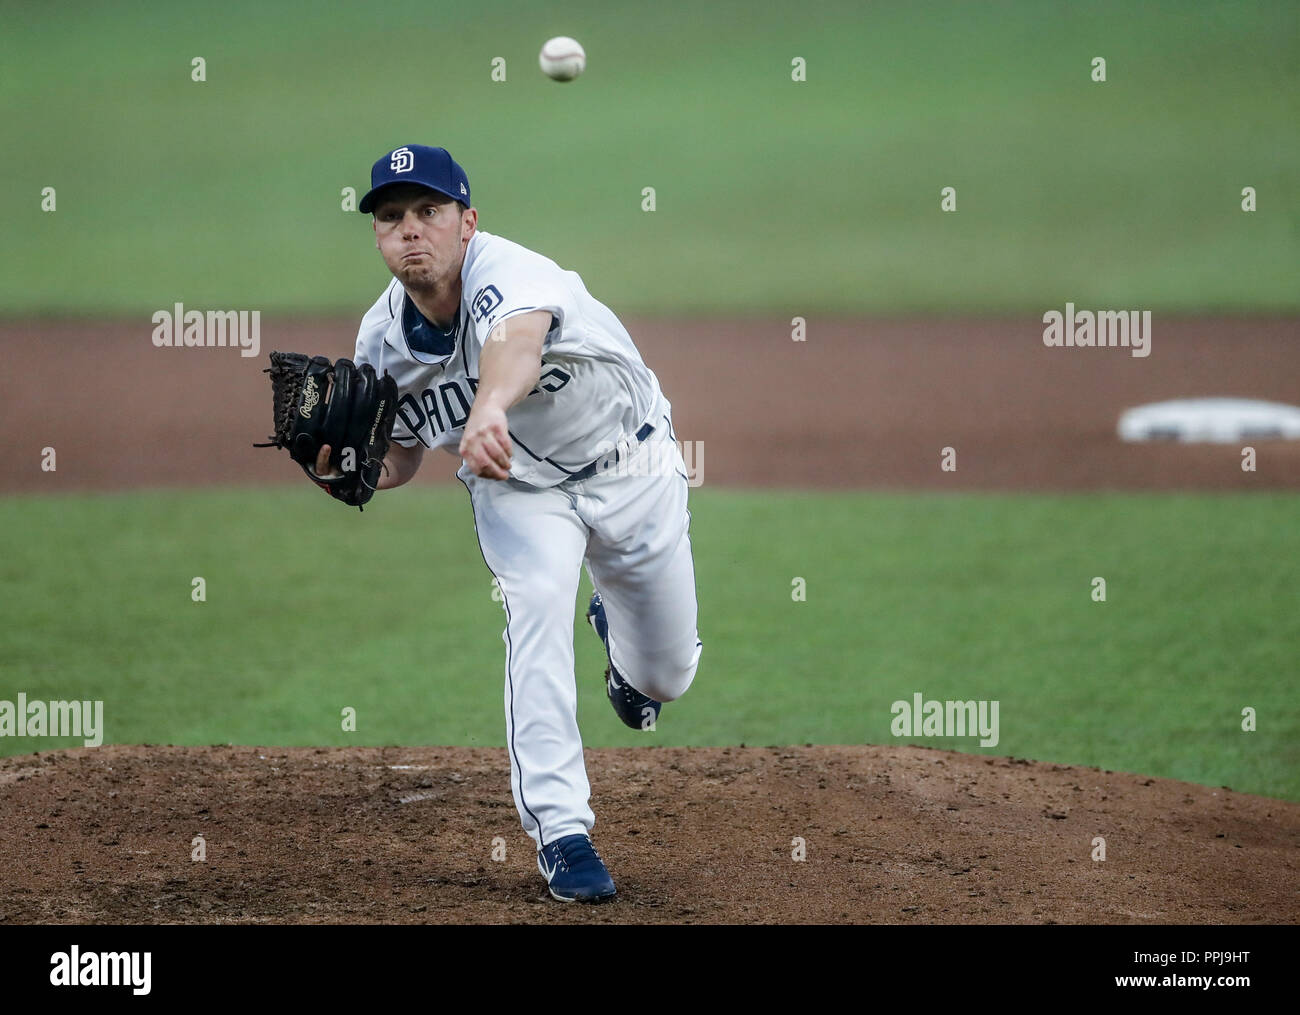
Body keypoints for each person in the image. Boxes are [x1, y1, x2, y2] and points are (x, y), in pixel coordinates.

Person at [338, 144, 703, 902]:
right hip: (520, 491)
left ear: (466, 223)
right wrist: (349, 468)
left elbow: (516, 343)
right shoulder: (381, 341)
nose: (410, 231)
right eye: (391, 217)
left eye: (428, 212)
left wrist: (490, 408)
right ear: (376, 235)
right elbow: (398, 458)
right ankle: (562, 833)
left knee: (668, 674)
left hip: (632, 466)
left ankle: (624, 647)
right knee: (534, 612)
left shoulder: (512, 272)